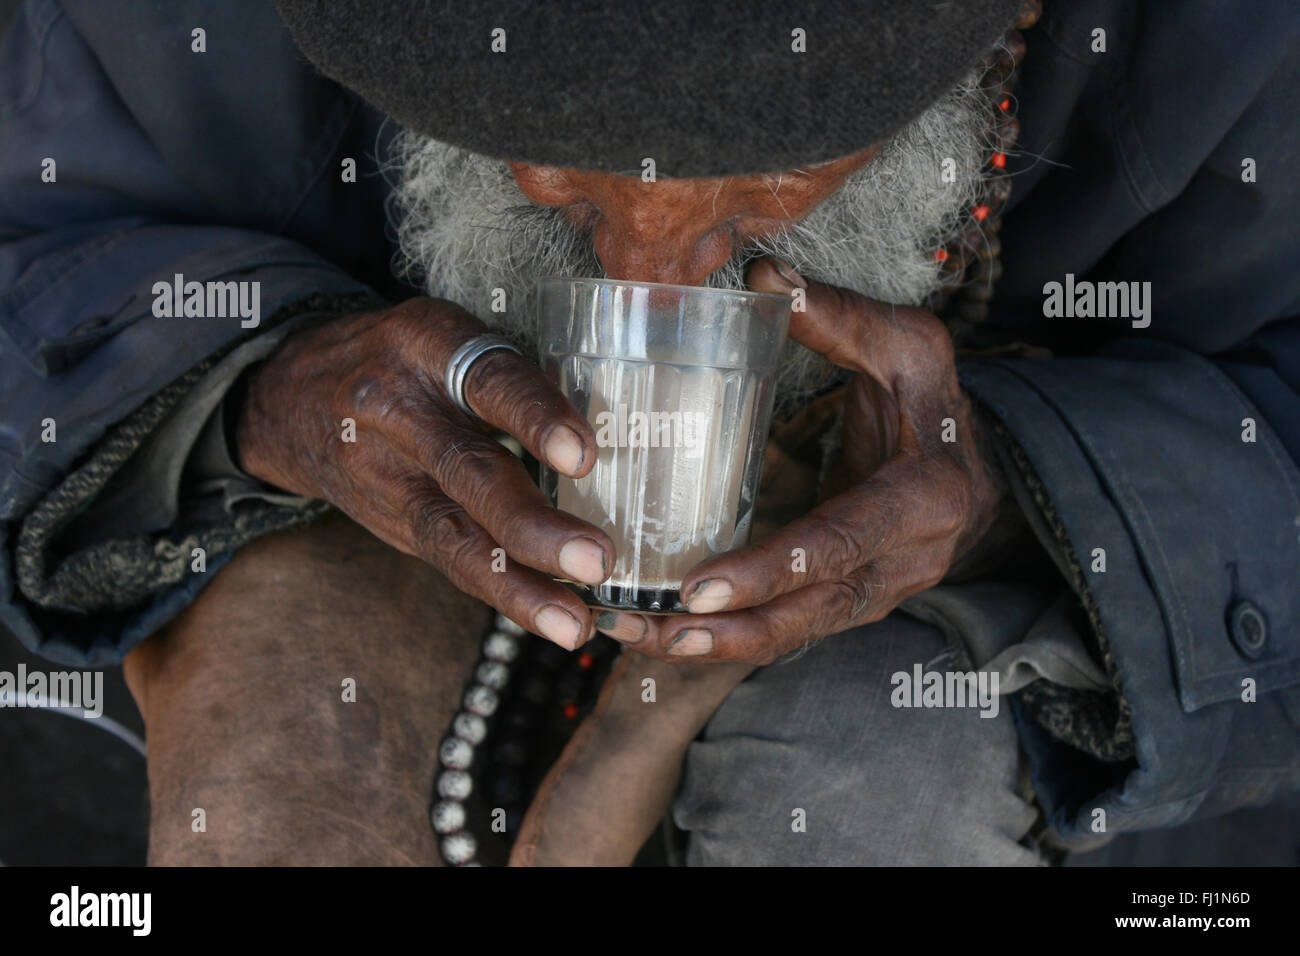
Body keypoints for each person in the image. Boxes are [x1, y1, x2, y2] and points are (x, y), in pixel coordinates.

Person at [1, 0, 1296, 865]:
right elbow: (46, 245)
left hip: (1009, 648)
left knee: (876, 787)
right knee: (285, 753)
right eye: (556, 176)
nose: (651, 274)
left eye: (767, 182)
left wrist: (1020, 498)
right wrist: (257, 392)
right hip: (351, 523)